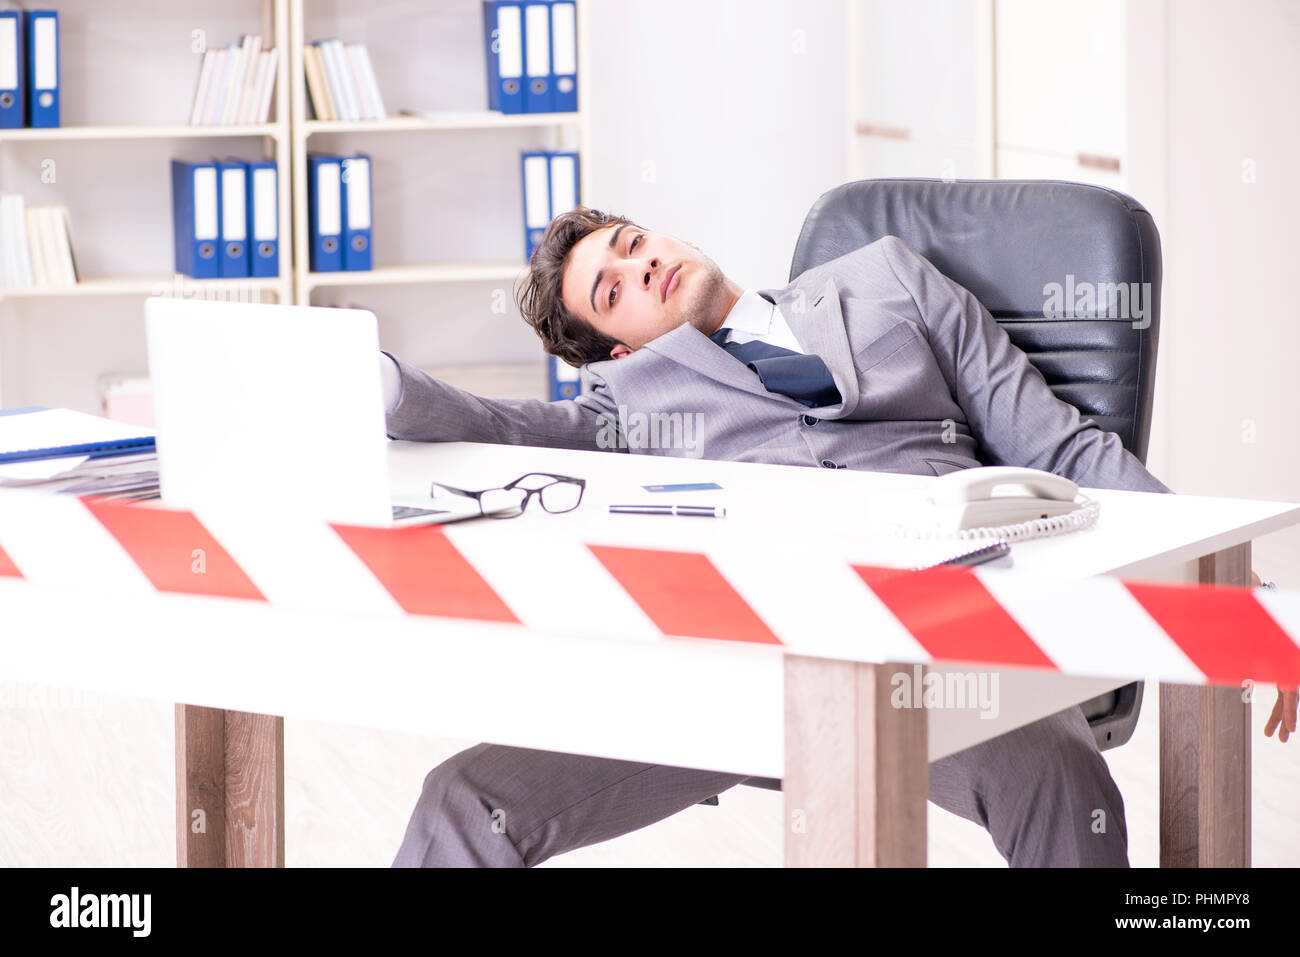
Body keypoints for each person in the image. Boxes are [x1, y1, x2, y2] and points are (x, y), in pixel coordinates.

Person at [382, 206, 1290, 867]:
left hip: (941, 650)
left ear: (670, 234)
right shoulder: (629, 401)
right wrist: (363, 378)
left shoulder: (887, 277)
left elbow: (1060, 445)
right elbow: (493, 424)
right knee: (465, 801)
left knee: (1057, 769)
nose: (640, 267)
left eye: (632, 244)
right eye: (612, 291)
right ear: (621, 351)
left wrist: (1238, 594)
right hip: (746, 679)